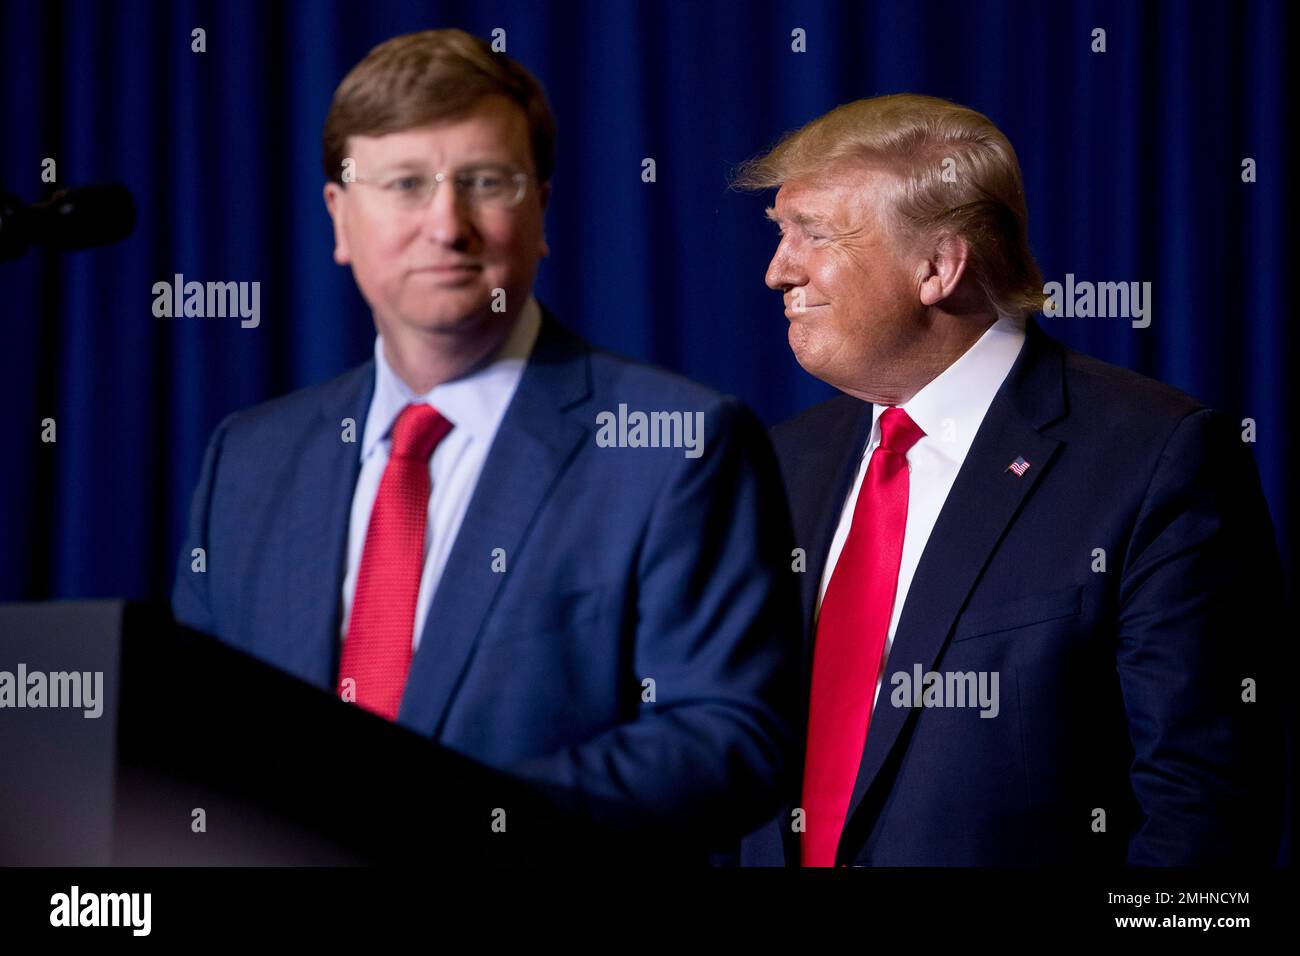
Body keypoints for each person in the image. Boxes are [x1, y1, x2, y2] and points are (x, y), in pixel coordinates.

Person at [172, 28, 800, 850]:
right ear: (338, 218)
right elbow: (190, 739)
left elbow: (732, 738)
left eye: (485, 182)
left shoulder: (677, 446)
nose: (447, 225)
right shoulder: (247, 458)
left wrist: (446, 821)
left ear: (540, 208)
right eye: (403, 185)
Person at [734, 93, 1285, 866]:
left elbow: (1204, 808)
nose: (775, 271)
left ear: (938, 266)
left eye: (811, 235)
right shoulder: (778, 464)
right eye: (780, 234)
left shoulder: (1155, 457)